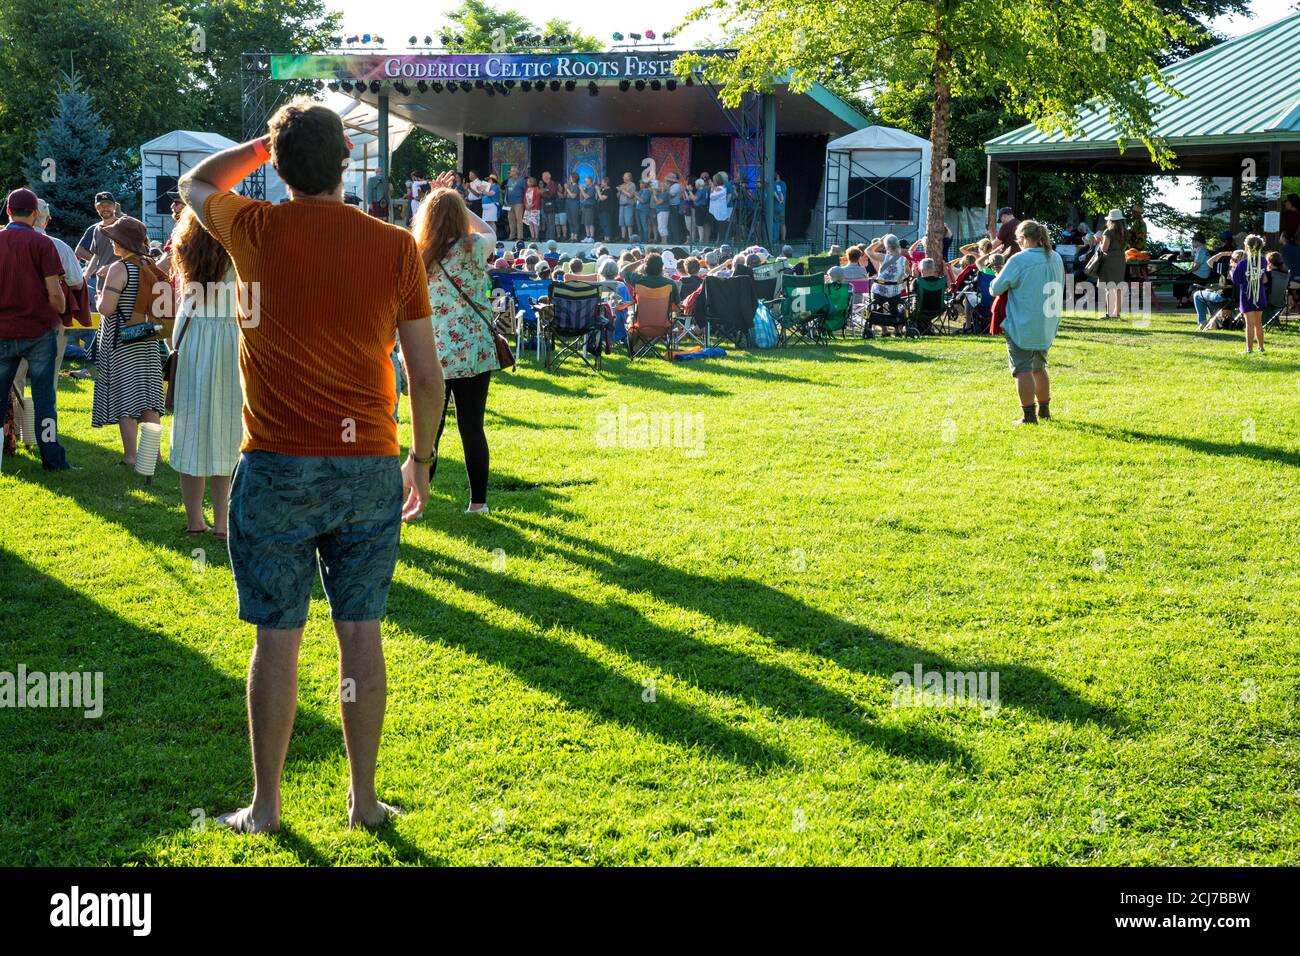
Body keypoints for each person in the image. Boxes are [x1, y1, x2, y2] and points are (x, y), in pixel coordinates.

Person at [179, 95, 445, 833]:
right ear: (350, 162)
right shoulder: (394, 245)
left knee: (277, 639)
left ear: (280, 165)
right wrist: (420, 460)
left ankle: (266, 808)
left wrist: (266, 146)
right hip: (367, 464)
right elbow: (427, 375)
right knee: (360, 632)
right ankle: (363, 800)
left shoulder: (254, 227)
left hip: (275, 465)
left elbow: (195, 183)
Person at [413, 182, 500, 512]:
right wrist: (460, 206)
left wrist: (439, 201)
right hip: (476, 350)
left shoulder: (420, 253)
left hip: (435, 351)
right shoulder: (475, 247)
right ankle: (478, 503)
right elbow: (490, 230)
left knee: (430, 429)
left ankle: (419, 502)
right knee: (472, 427)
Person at [167, 208, 242, 538]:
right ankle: (223, 523)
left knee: (192, 427)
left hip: (194, 333)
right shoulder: (239, 250)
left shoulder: (184, 247)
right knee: (227, 429)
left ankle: (195, 520)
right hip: (229, 336)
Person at [0, 188, 69, 471]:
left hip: (3, 330)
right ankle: (51, 458)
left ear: (8, 211)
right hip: (39, 330)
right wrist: (62, 308)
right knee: (44, 400)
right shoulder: (43, 244)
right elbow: (54, 293)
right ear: (36, 214)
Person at [90, 216, 168, 466]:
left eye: (114, 239)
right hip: (147, 337)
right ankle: (154, 455)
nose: (111, 242)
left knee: (127, 398)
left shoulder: (118, 269)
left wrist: (99, 295)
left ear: (123, 242)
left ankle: (131, 456)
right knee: (150, 399)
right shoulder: (150, 266)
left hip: (122, 341)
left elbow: (106, 309)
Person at [989, 220, 1064, 425]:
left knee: (1022, 369)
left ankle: (1028, 415)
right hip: (1046, 322)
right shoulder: (1055, 257)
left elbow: (995, 288)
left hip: (1023, 321)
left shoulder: (1019, 260)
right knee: (1038, 368)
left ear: (1022, 238)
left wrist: (998, 273)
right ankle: (1044, 410)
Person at [33, 199, 86, 375]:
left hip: (11, 316)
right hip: (52, 316)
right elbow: (77, 282)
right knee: (49, 374)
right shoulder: (60, 246)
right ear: (46, 220)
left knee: (13, 377)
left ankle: (16, 404)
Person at [862, 234, 909, 337]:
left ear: (886, 247)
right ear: (898, 245)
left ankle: (884, 330)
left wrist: (879, 242)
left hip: (880, 291)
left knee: (879, 304)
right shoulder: (904, 260)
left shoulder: (883, 257)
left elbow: (867, 251)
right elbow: (909, 273)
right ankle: (897, 329)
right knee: (894, 306)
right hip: (895, 292)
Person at [1234, 234, 1269, 354]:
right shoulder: (1263, 261)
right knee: (1258, 322)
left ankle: (1249, 349)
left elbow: (1236, 280)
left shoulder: (1243, 264)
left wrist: (1232, 269)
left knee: (1249, 323)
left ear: (1247, 247)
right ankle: (1261, 347)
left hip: (1247, 296)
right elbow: (1264, 279)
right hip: (1260, 295)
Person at [1097, 209, 1129, 318]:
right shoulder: (1125, 232)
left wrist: (1100, 242)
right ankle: (1117, 313)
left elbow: (1105, 248)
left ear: (1111, 220)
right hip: (1120, 261)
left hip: (1109, 261)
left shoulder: (1108, 232)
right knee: (1118, 288)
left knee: (1109, 288)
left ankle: (1109, 313)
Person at [709, 173, 732, 242]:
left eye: (714, 180)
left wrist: (712, 188)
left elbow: (712, 196)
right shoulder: (717, 188)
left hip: (720, 211)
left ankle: (721, 242)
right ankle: (718, 240)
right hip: (715, 211)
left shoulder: (722, 189)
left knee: (721, 227)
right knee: (717, 227)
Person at [505, 167, 526, 241]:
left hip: (519, 202)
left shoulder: (521, 180)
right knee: (511, 219)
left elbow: (525, 190)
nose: (510, 172)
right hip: (510, 203)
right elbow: (507, 191)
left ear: (515, 172)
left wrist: (525, 201)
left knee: (519, 219)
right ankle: (512, 236)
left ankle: (520, 237)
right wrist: (505, 201)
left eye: (511, 171)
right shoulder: (509, 180)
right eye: (510, 171)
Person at [617, 171, 637, 241]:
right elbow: (618, 196)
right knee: (622, 222)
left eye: (625, 176)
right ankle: (623, 237)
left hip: (628, 205)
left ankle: (630, 237)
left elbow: (630, 195)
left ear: (629, 177)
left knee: (629, 222)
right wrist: (619, 191)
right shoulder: (622, 185)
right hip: (621, 205)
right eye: (623, 176)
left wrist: (622, 190)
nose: (623, 177)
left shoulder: (632, 185)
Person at [561, 172, 580, 242]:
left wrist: (567, 189)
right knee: (570, 220)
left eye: (570, 178)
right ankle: (572, 236)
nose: (569, 179)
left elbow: (573, 196)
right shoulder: (570, 186)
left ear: (574, 178)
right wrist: (566, 189)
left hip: (574, 205)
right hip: (568, 204)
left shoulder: (576, 186)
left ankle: (576, 236)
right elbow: (565, 195)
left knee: (575, 220)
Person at [579, 175, 598, 242]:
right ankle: (587, 236)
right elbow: (582, 198)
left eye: (586, 181)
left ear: (590, 181)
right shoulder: (586, 188)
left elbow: (586, 197)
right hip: (584, 207)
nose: (585, 182)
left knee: (590, 222)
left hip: (590, 207)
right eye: (585, 181)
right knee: (585, 223)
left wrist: (581, 189)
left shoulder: (592, 188)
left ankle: (592, 237)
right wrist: (581, 191)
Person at [523, 176, 541, 241]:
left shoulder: (536, 189)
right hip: (528, 209)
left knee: (535, 223)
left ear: (532, 182)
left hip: (534, 208)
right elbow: (525, 198)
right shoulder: (527, 189)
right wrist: (526, 205)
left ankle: (536, 237)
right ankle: (532, 236)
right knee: (530, 223)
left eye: (528, 181)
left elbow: (537, 199)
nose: (527, 182)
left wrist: (532, 205)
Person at [773, 172, 787, 242]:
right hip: (779, 207)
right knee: (776, 224)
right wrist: (780, 200)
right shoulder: (776, 185)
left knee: (780, 224)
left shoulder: (782, 184)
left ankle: (781, 240)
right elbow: (781, 195)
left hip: (778, 208)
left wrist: (779, 200)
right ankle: (776, 240)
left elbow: (775, 193)